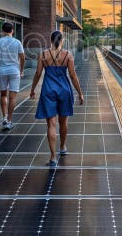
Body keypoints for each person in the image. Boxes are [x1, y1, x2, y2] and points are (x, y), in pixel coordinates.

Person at [29, 30, 84, 166]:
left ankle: (53, 158)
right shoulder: (68, 55)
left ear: (51, 40)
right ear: (62, 40)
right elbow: (73, 76)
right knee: (63, 121)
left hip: (48, 89)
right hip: (64, 90)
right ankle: (63, 147)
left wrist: (32, 89)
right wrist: (80, 93)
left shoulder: (43, 54)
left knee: (51, 124)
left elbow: (37, 73)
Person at [0, 21, 26, 131]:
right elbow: (23, 57)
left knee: (3, 95)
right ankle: (9, 120)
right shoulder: (17, 42)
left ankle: (4, 117)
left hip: (1, 71)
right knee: (12, 97)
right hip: (14, 71)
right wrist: (21, 70)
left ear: (2, 31)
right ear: (12, 31)